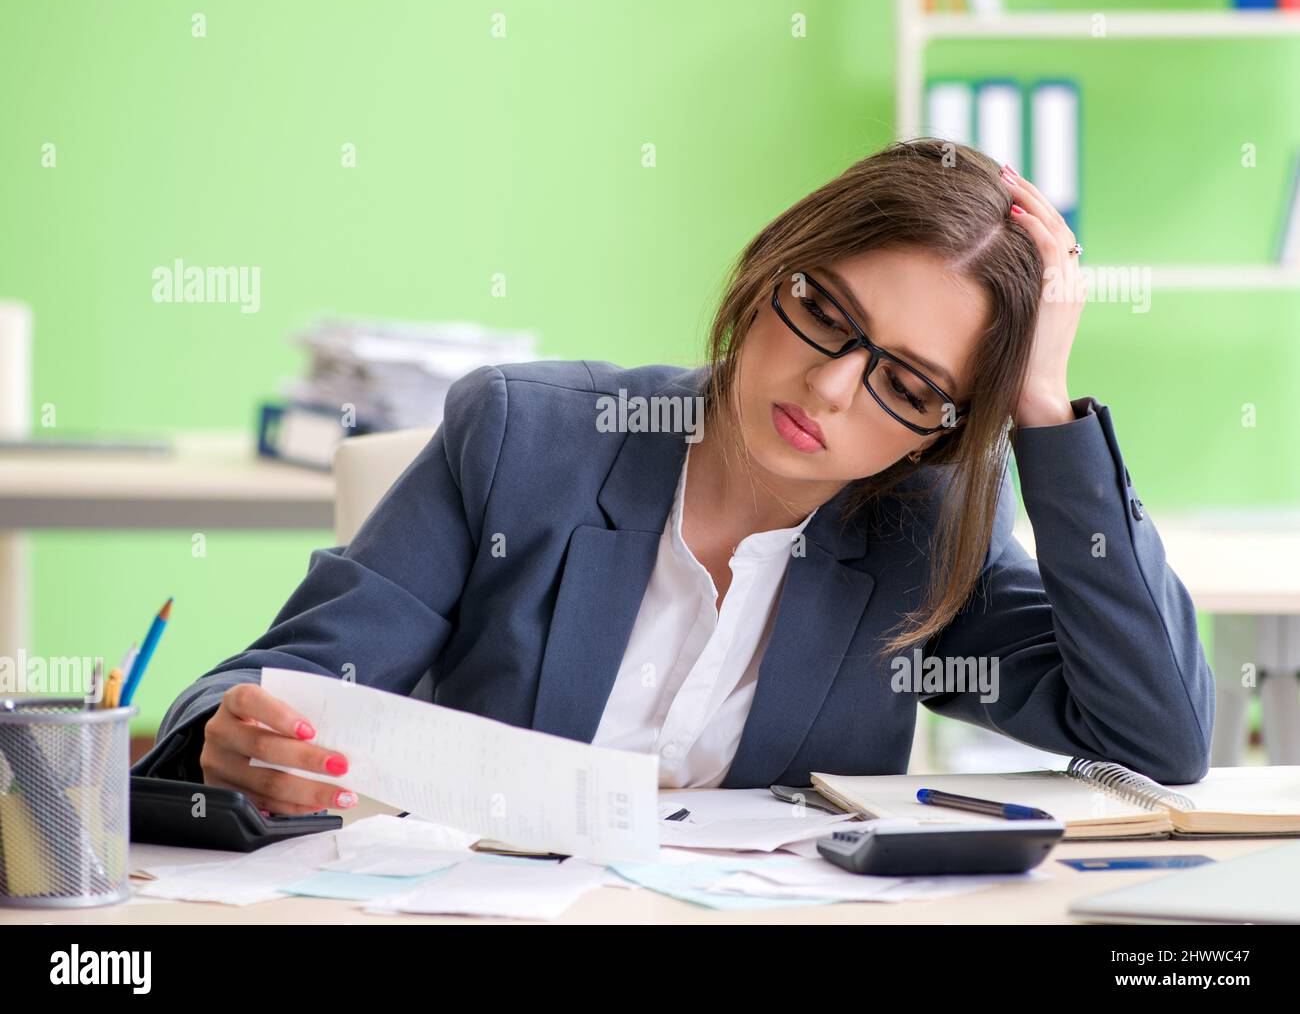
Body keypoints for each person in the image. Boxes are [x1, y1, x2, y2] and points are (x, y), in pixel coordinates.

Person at [133, 138, 1214, 813]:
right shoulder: (524, 438)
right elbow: (271, 684)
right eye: (827, 314)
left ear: (939, 431)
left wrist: (1041, 409)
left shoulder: (921, 538)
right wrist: (230, 737)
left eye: (909, 383)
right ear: (764, 275)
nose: (833, 389)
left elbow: (1154, 735)